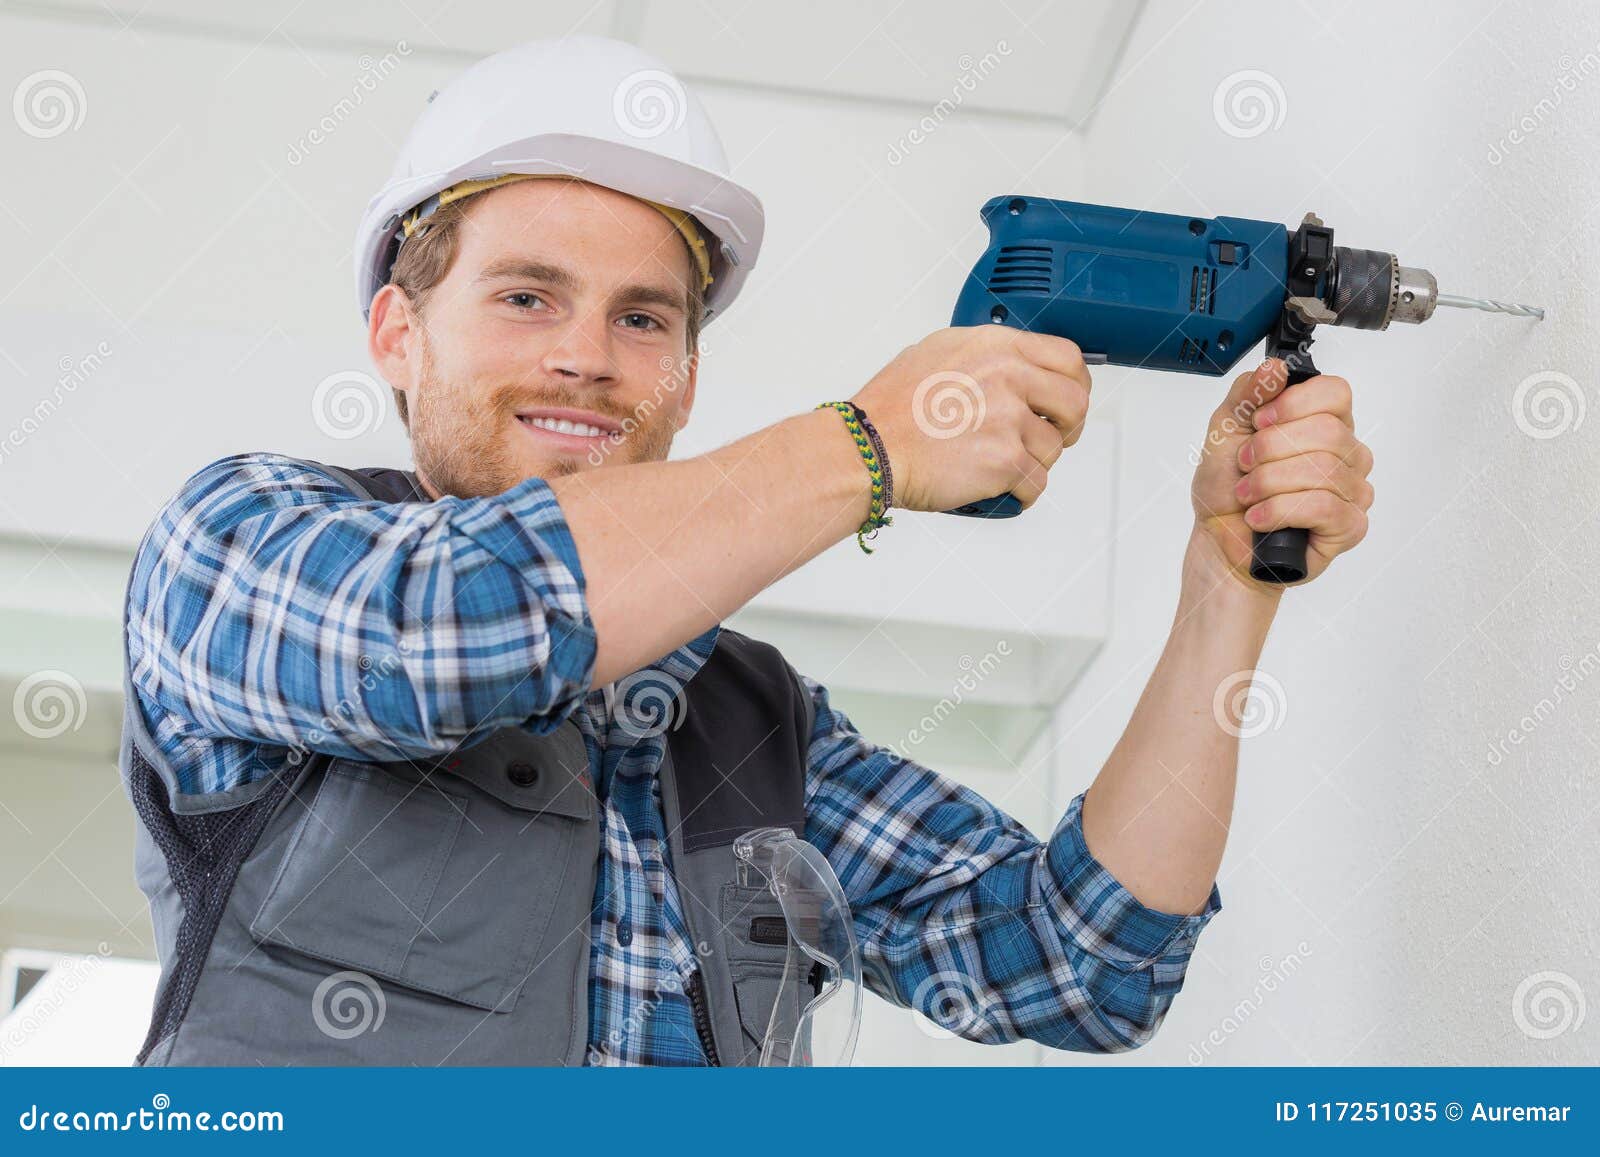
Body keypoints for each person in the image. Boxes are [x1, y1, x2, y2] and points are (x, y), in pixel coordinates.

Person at [119, 36, 1374, 1066]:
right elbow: (444, 630)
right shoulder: (242, 537)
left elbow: (1077, 962)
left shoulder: (756, 729)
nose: (587, 355)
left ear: (686, 377)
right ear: (398, 332)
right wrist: (871, 444)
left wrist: (1225, 583)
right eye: (524, 296)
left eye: (642, 316)